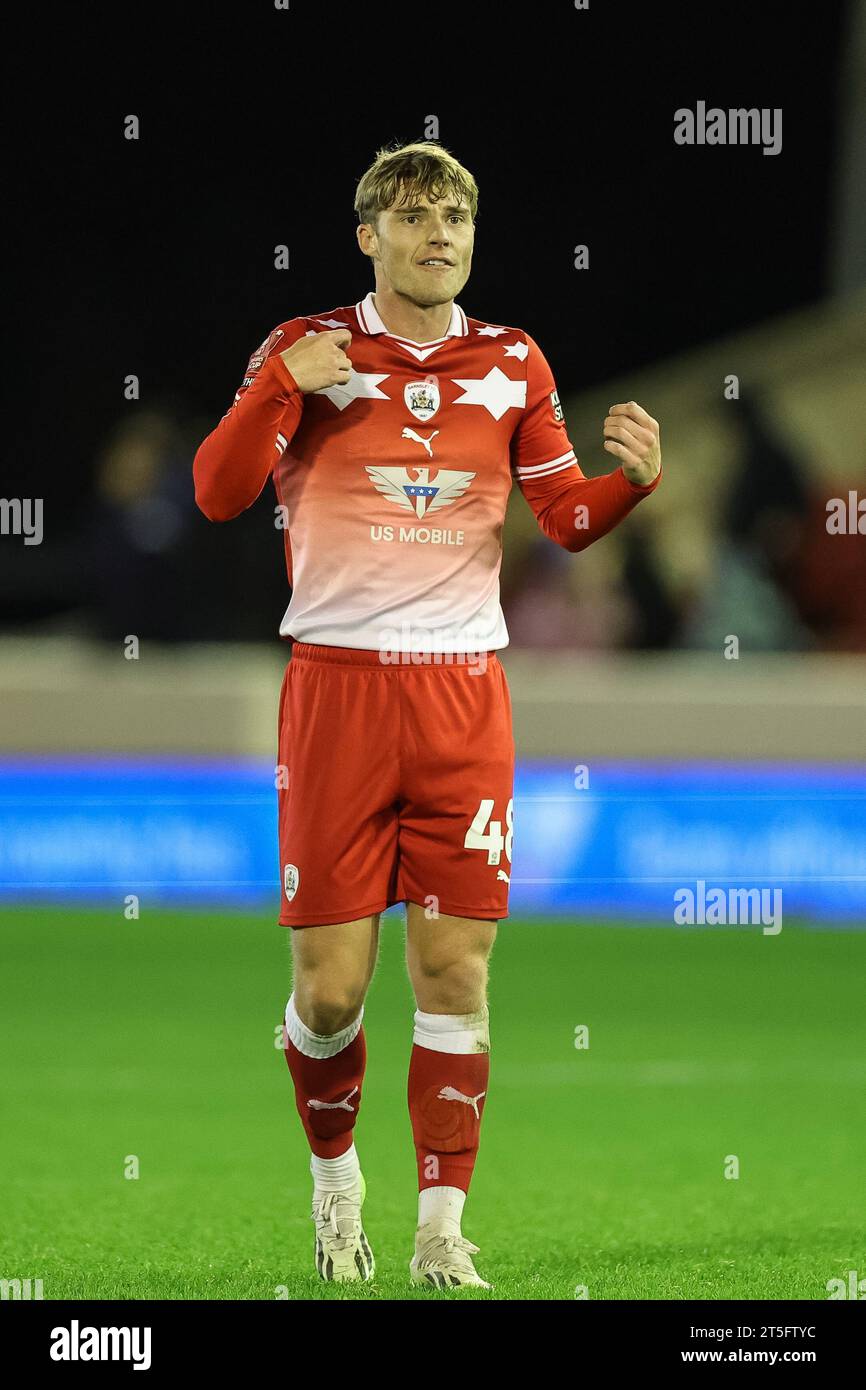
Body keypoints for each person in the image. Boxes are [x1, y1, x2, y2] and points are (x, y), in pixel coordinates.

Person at [193, 140, 662, 1289]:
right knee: (330, 994)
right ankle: (335, 1180)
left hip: (461, 695)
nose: (438, 233)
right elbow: (216, 494)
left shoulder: (512, 361)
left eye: (454, 215)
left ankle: (440, 1230)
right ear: (369, 236)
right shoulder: (306, 350)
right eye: (412, 216)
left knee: (454, 975)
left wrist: (629, 489)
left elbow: (560, 519)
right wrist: (274, 388)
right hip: (337, 690)